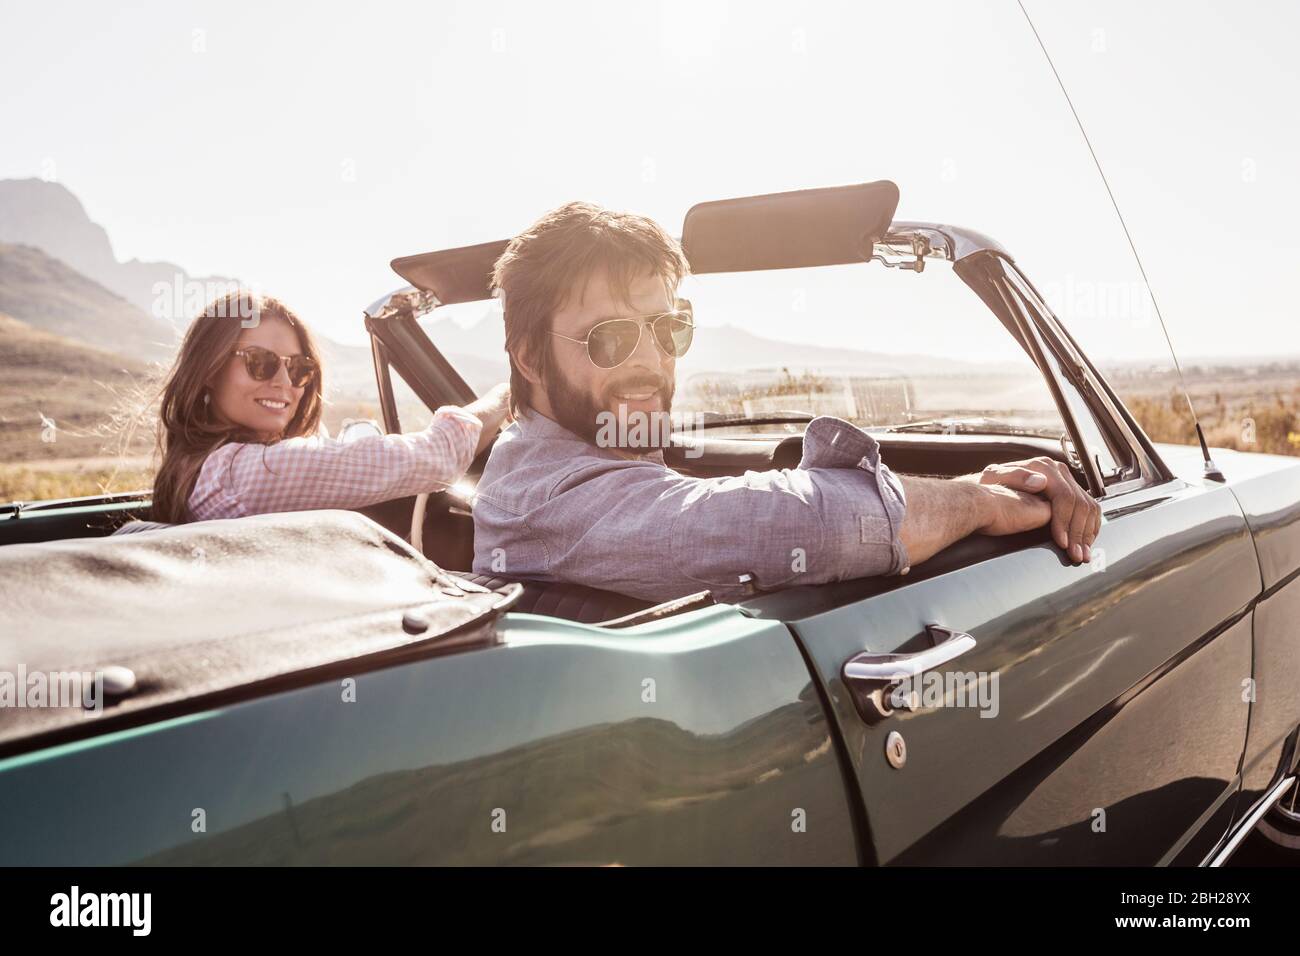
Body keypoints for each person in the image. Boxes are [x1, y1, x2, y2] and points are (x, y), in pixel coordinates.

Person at [471, 201, 1100, 604]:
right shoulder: (548, 495)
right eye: (608, 337)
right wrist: (982, 500)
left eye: (668, 328)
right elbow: (814, 523)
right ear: (529, 357)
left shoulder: (557, 458)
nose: (649, 360)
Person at [150, 290, 510, 524]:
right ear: (210, 370)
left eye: (298, 368)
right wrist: (507, 396)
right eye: (260, 362)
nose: (284, 382)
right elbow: (435, 455)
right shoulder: (241, 476)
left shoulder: (202, 470)